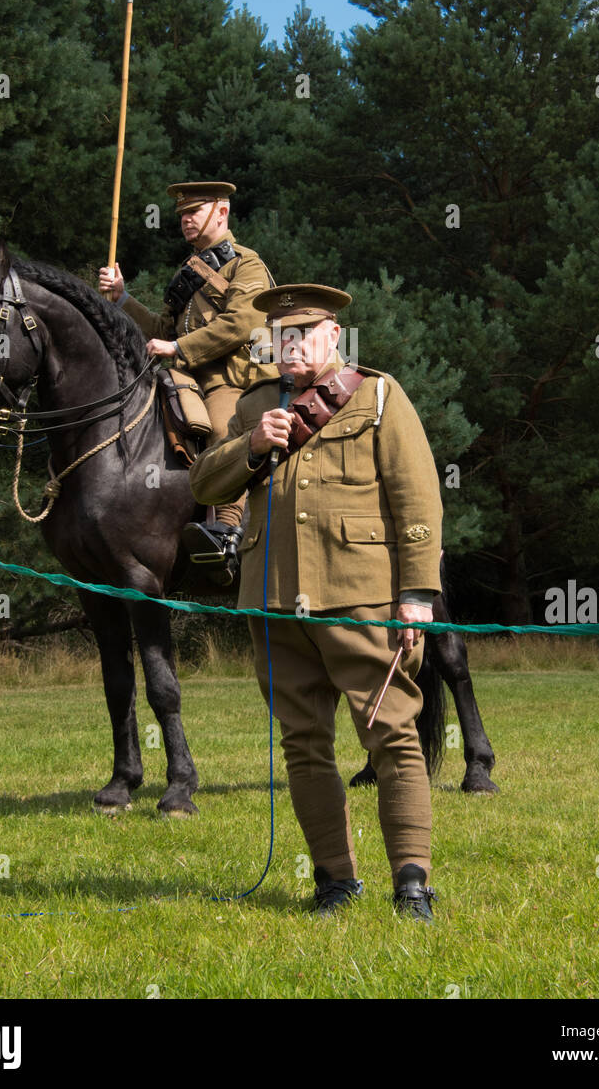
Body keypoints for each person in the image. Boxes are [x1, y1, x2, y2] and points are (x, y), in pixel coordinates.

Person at [188, 284, 444, 920]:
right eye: (282, 335)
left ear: (334, 337)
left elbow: (416, 500)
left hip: (361, 597)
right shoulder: (254, 405)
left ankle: (411, 881)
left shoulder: (377, 396)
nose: (292, 344)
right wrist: (249, 446)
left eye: (305, 334)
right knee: (303, 744)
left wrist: (415, 594)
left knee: (391, 735)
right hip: (274, 602)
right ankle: (334, 879)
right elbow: (203, 482)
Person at [98, 180, 275, 580]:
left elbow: (242, 322)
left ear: (222, 212)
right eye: (181, 214)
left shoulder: (246, 264)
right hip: (183, 377)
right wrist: (124, 299)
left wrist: (177, 349)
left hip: (230, 379)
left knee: (222, 428)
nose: (185, 220)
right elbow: (164, 328)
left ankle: (227, 531)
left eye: (194, 211)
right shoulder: (188, 271)